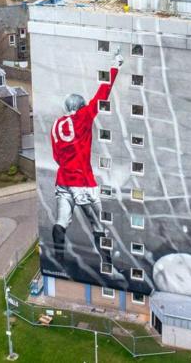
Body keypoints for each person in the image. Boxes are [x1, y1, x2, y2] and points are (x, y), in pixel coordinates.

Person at [50, 50, 123, 268]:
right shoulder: (84, 117)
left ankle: (59, 258)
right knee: (98, 224)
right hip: (83, 181)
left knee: (62, 221)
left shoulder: (56, 125)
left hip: (62, 181)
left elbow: (56, 156)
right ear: (80, 106)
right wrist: (115, 66)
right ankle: (107, 262)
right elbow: (102, 94)